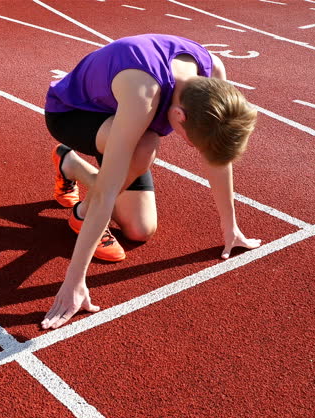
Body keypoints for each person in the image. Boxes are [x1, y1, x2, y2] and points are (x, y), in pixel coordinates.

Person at [41, 34, 260, 330]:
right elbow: (106, 194)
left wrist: (230, 226)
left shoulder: (214, 76)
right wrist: (74, 281)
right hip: (75, 114)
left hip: (124, 113)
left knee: (140, 230)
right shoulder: (142, 92)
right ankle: (80, 207)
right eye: (193, 144)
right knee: (144, 146)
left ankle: (69, 166)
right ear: (179, 116)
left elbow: (217, 157)